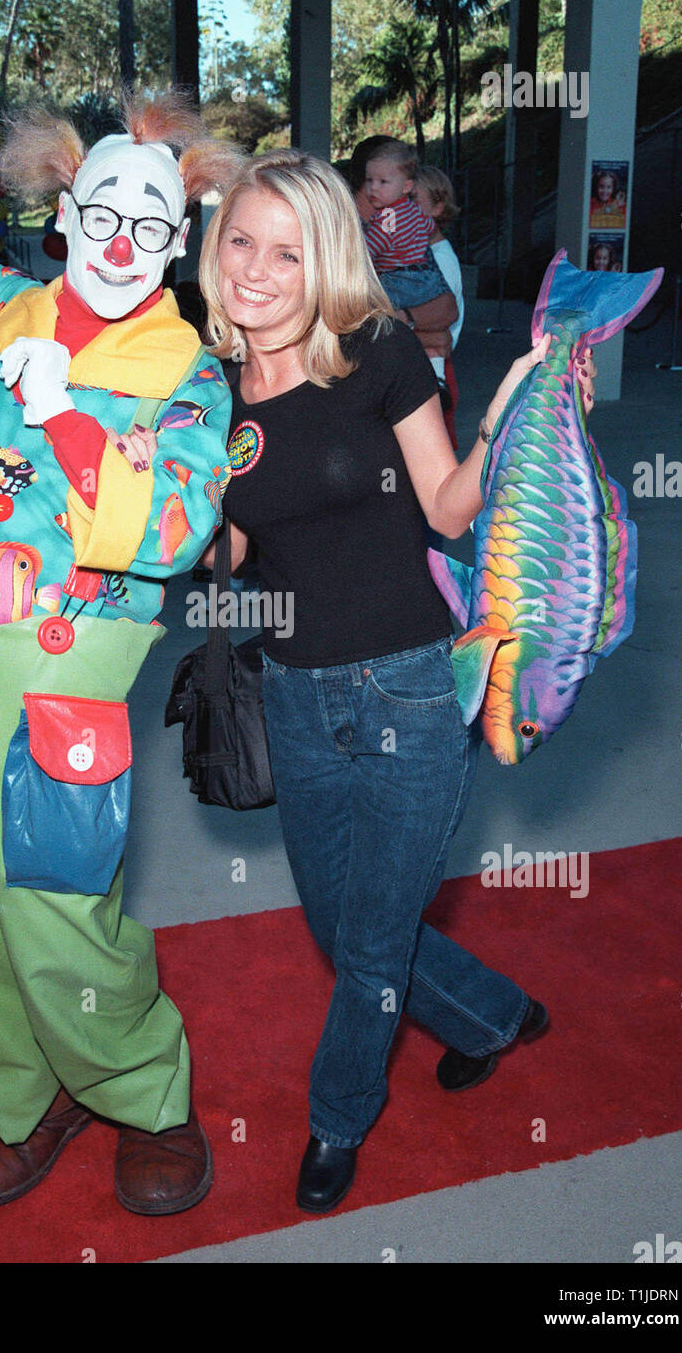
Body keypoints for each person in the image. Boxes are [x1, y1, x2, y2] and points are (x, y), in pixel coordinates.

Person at [0, 6, 239, 1213]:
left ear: (176, 242)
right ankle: (24, 1103)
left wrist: (69, 411)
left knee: (62, 918)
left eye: (147, 225)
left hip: (58, 694)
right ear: (62, 216)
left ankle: (142, 1092)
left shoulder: (187, 371)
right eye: (100, 217)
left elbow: (174, 527)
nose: (119, 243)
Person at [198, 148, 553, 1215]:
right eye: (241, 243)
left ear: (328, 262)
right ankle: (497, 1016)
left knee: (364, 947)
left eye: (288, 252)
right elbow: (222, 552)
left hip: (407, 685)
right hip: (296, 693)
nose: (258, 270)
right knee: (343, 922)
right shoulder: (202, 387)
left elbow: (447, 506)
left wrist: (516, 411)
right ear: (215, 252)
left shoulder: (379, 353)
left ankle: (337, 1118)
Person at [362, 139, 451, 315]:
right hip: (427, 279)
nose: (373, 188)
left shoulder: (388, 216)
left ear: (407, 186)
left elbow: (368, 250)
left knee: (361, 304)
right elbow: (430, 228)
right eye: (369, 180)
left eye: (383, 182)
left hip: (399, 281)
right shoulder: (415, 209)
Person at [412, 165, 464, 446]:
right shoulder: (420, 254)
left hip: (434, 372)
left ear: (438, 207)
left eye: (413, 202)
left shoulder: (440, 259)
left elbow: (437, 323)